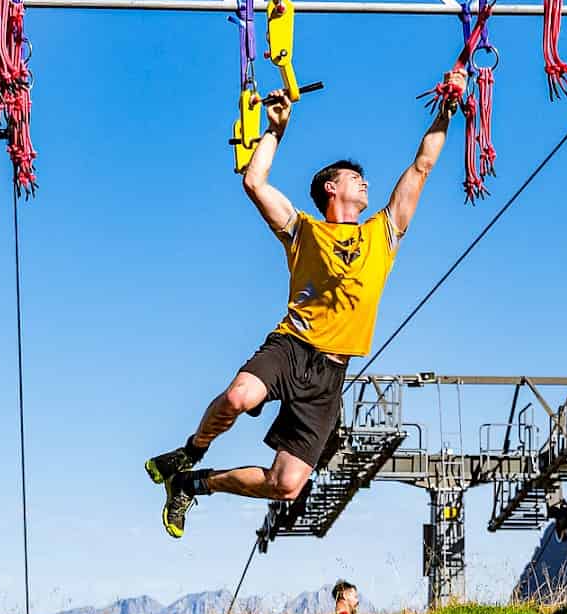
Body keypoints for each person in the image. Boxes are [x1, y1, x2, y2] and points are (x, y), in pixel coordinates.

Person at [143, 83, 462, 537]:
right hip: (292, 346)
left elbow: (423, 165)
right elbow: (254, 183)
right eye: (355, 177)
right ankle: (191, 451)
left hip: (330, 375)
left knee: (286, 485)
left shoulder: (383, 233)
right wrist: (275, 131)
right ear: (331, 188)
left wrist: (447, 109)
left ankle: (193, 484)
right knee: (237, 398)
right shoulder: (303, 230)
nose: (365, 182)